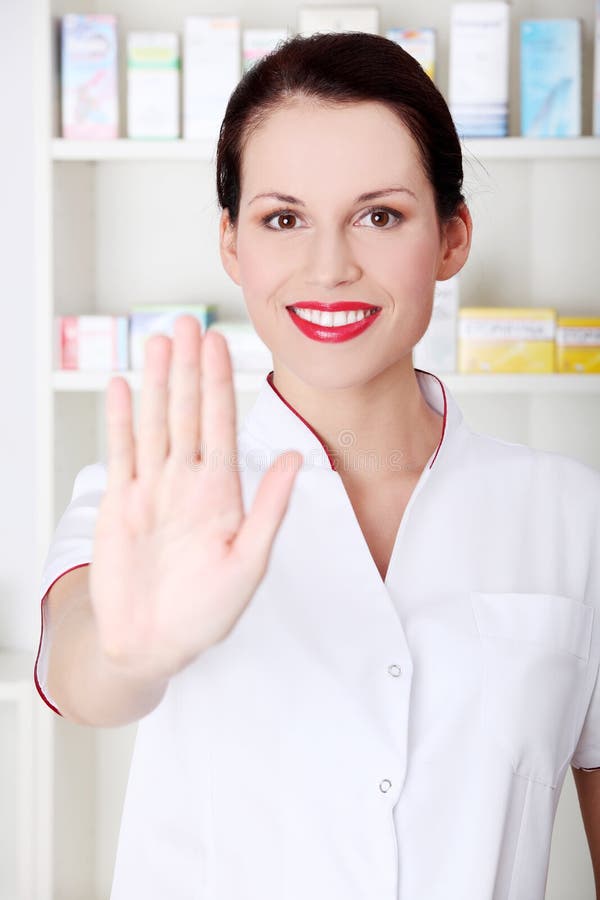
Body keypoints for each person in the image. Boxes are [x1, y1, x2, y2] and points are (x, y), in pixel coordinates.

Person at [34, 31, 600, 900]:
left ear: (451, 238)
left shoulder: (572, 516)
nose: (330, 268)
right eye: (283, 219)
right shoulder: (154, 492)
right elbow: (81, 673)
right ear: (232, 243)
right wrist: (126, 648)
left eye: (380, 216)